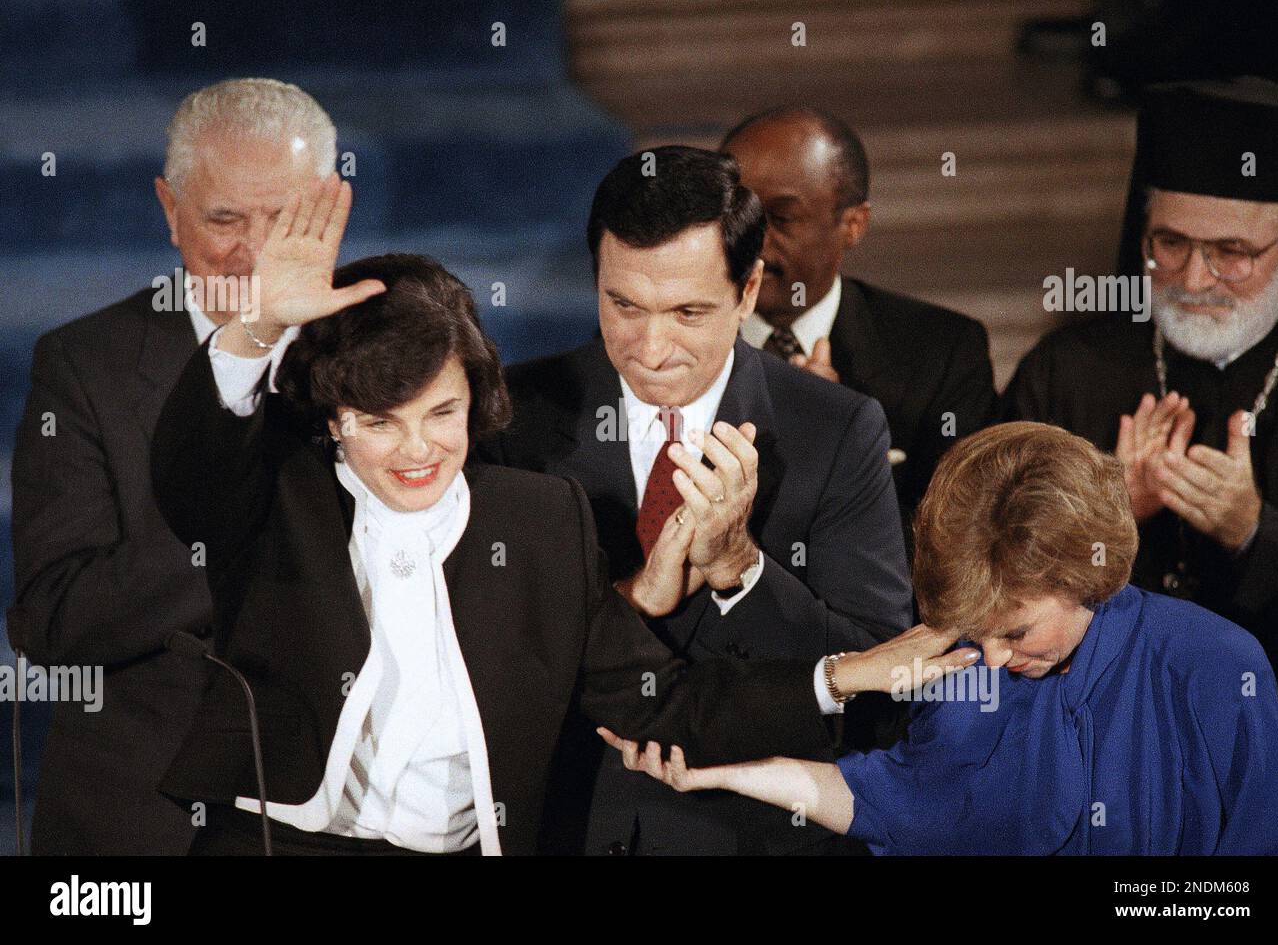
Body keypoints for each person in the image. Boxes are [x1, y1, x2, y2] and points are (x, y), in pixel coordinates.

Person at [149, 176, 948, 856]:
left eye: (441, 413)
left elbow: (665, 703)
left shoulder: (532, 518)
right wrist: (254, 331)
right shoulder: (290, 494)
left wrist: (842, 674)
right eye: (379, 421)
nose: (415, 449)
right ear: (333, 421)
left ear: (475, 404)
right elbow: (193, 482)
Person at [480, 145, 913, 854]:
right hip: (570, 823)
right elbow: (489, 659)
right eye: (623, 305)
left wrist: (745, 569)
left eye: (687, 312)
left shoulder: (834, 430)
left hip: (753, 832)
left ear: (747, 293)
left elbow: (875, 672)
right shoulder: (514, 417)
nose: (650, 348)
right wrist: (630, 599)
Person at [604, 422, 1278, 855]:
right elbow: (892, 803)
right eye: (980, 632)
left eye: (1017, 631)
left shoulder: (1217, 666)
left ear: (1088, 572)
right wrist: (715, 775)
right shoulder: (971, 673)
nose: (991, 658)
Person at [6, 77, 327, 854]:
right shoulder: (87, 367)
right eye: (224, 219)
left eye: (282, 219)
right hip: (141, 818)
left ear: (327, 209)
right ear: (169, 209)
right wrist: (238, 523)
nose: (252, 253)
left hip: (351, 815)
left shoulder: (392, 348)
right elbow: (54, 618)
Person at [1003, 76, 1278, 731]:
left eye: (1231, 253)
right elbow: (976, 577)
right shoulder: (1065, 373)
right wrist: (1111, 517)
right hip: (1096, 728)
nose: (1195, 280)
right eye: (1171, 244)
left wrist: (1257, 531)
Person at [721, 107, 997, 552]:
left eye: (782, 218)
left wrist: (830, 443)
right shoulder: (666, 344)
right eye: (739, 213)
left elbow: (957, 543)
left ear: (853, 225)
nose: (753, 239)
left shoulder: (942, 352)